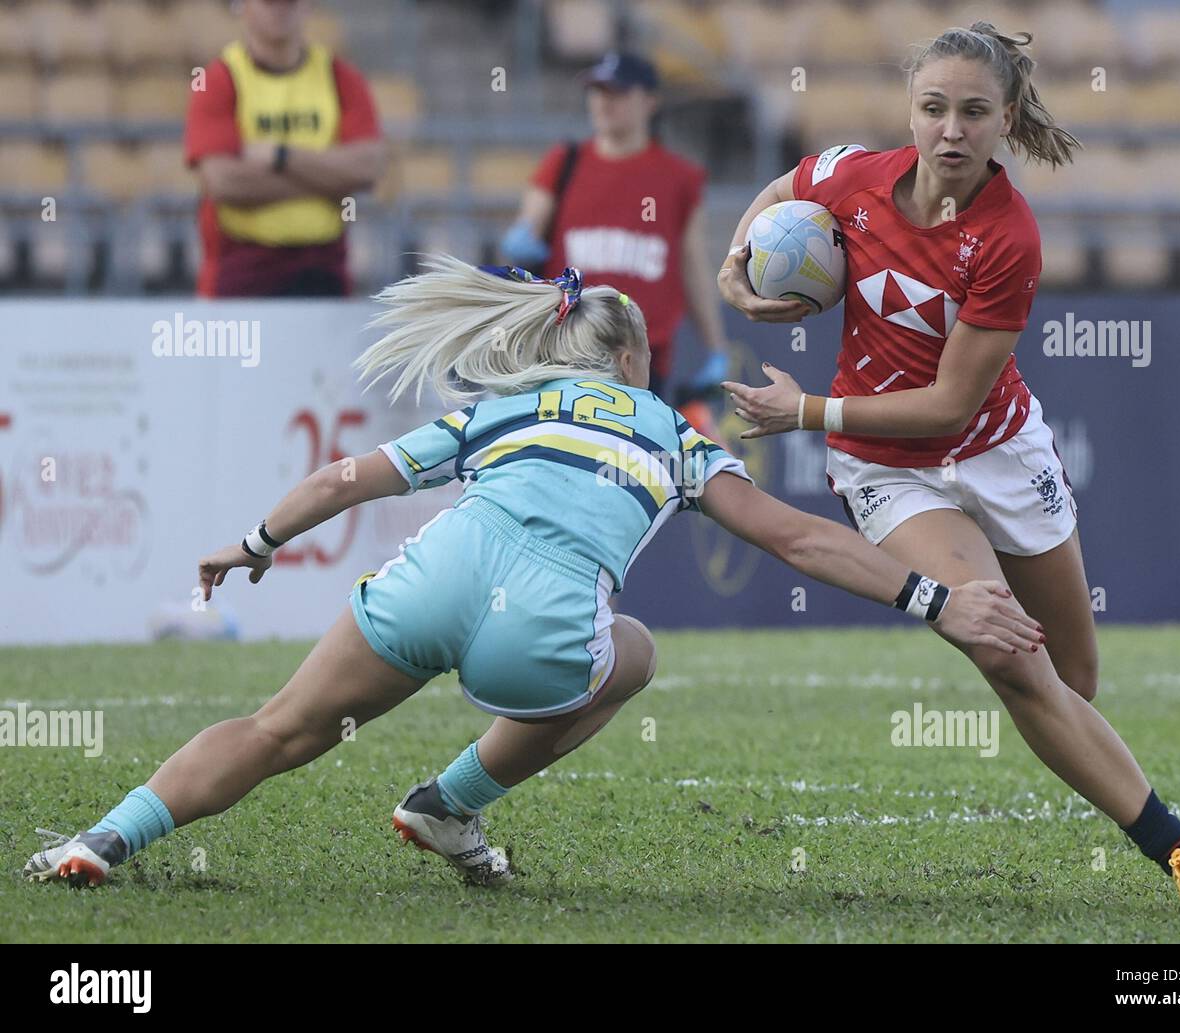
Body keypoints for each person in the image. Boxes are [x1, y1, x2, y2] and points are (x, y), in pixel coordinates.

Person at [24, 256, 1040, 888]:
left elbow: (346, 477)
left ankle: (105, 840)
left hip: (434, 579)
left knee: (277, 729)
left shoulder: (501, 409)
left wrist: (251, 543)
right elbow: (793, 537)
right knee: (633, 651)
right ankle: (448, 801)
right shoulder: (672, 434)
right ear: (636, 361)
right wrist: (932, 597)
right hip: (540, 636)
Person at [716, 23, 1180, 919]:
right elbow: (780, 187)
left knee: (1073, 676)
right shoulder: (850, 176)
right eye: (932, 109)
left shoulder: (1009, 239)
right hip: (891, 473)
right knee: (1007, 651)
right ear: (910, 116)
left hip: (999, 451)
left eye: (971, 112)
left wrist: (802, 411)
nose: (950, 129)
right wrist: (736, 267)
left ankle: (1079, 752)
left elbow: (950, 407)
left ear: (1005, 121)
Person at [502, 51, 731, 400]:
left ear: (650, 101)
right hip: (566, 350)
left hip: (641, 359)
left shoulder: (679, 178)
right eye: (597, 91)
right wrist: (519, 243)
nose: (604, 102)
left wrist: (716, 348)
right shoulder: (564, 163)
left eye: (618, 92)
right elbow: (526, 230)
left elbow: (692, 267)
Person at [184, 0, 385, 297]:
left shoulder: (342, 77)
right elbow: (222, 182)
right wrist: (328, 180)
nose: (279, 9)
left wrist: (280, 156)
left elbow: (369, 167)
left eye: (289, 2)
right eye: (269, 2)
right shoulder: (216, 80)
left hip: (324, 268)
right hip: (242, 271)